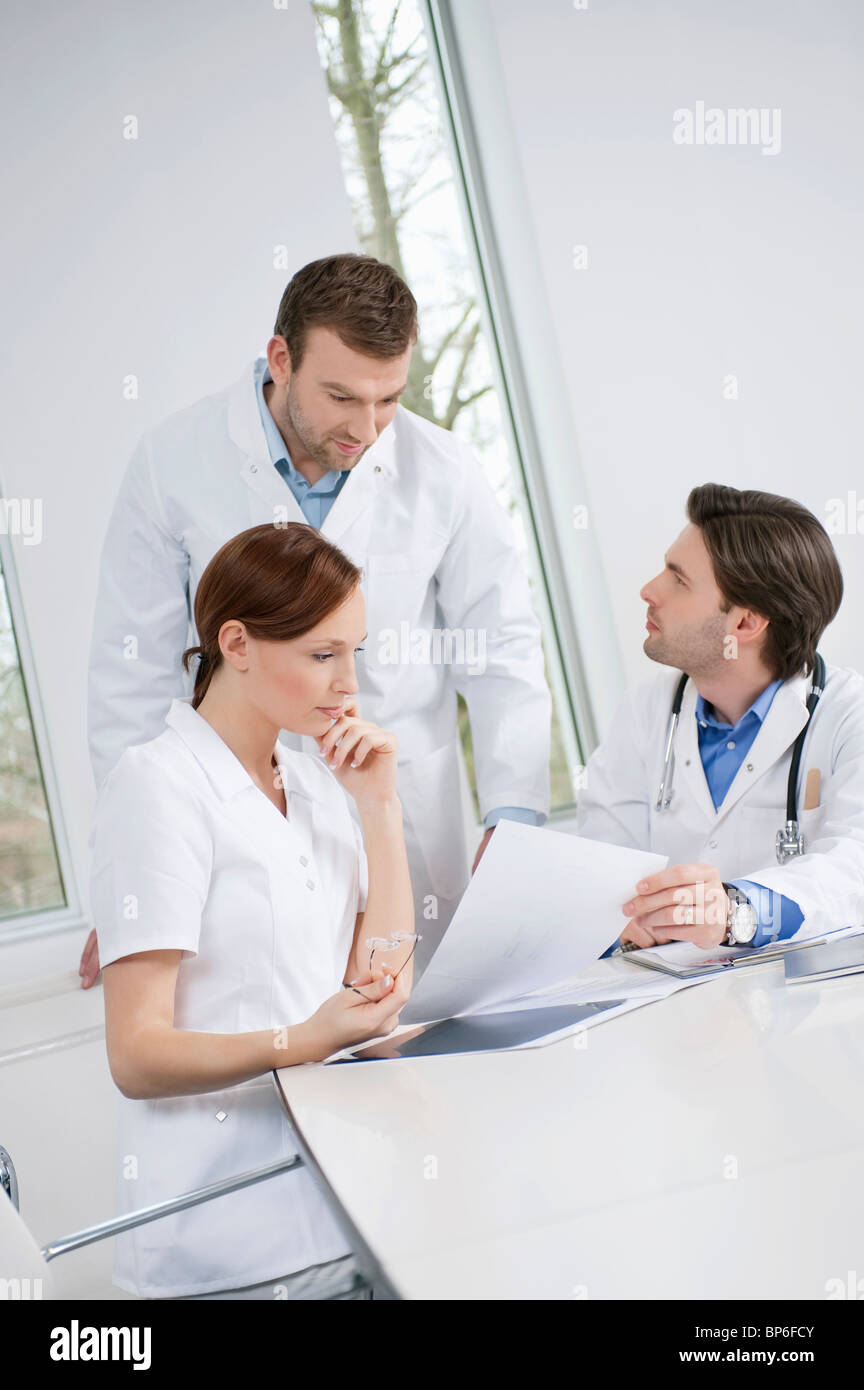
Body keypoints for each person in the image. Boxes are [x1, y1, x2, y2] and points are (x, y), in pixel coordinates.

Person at [82, 252, 551, 989]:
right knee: (275, 1049)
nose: (367, 429)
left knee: (415, 1042)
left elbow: (503, 654)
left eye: (389, 399)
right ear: (280, 359)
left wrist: (514, 818)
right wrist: (126, 876)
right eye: (341, 397)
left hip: (407, 823)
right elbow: (129, 676)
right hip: (240, 824)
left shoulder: (445, 470)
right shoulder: (173, 465)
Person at [91, 522, 415, 1299]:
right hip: (222, 1246)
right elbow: (136, 1055)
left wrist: (380, 812)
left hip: (344, 1212)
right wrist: (302, 1041)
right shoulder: (159, 786)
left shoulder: (312, 783)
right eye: (322, 655)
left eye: (355, 654)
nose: (349, 686)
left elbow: (376, 981)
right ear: (236, 644)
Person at [578, 484, 864, 952]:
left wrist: (735, 912)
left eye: (679, 579)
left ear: (746, 624)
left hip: (810, 1008)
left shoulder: (849, 715)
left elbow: (855, 867)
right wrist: (617, 920)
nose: (649, 590)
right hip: (667, 1004)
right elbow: (602, 860)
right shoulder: (646, 711)